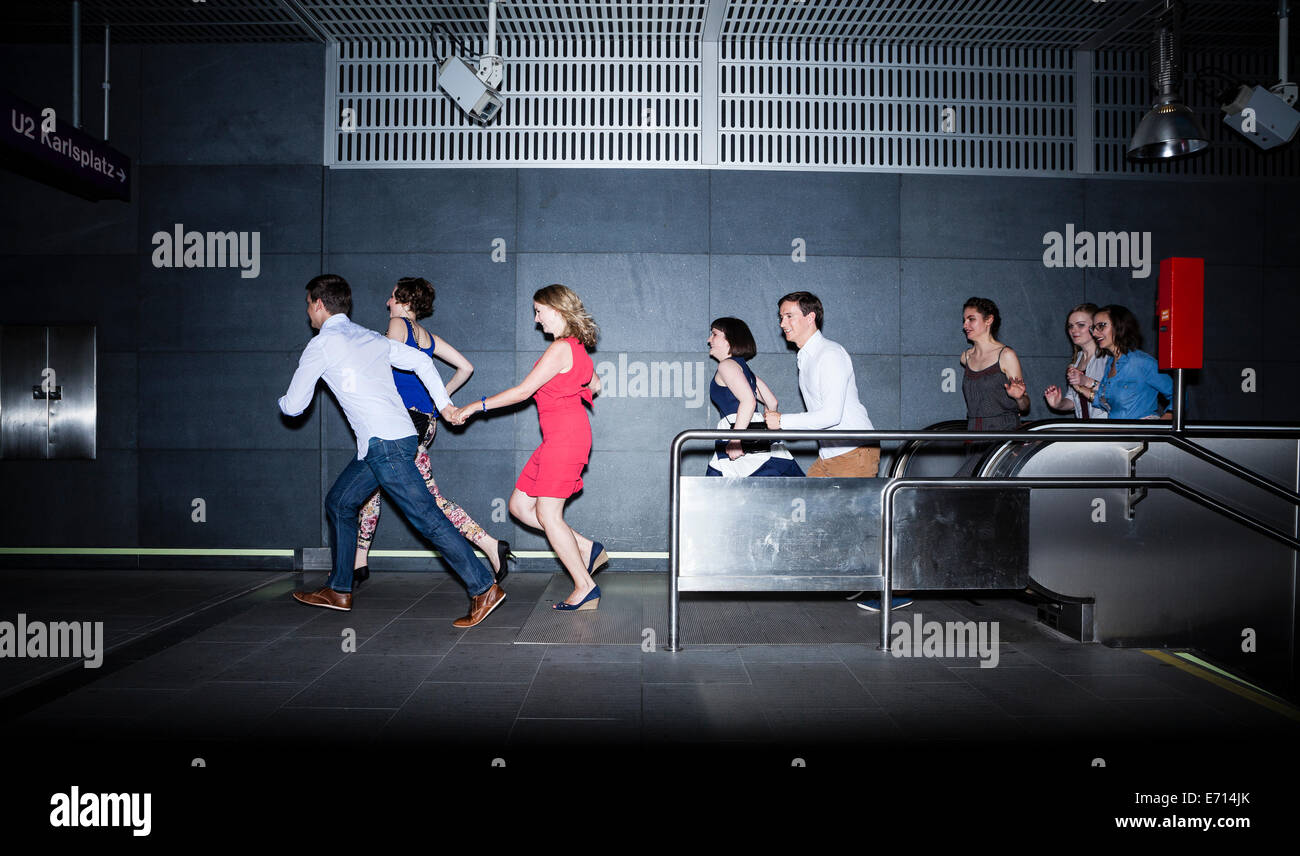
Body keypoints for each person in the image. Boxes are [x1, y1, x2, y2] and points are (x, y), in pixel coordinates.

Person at [278, 274, 504, 628]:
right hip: (393, 440)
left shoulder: (322, 345)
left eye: (309, 304)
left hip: (384, 445)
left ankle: (483, 587)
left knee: (427, 517)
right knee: (340, 503)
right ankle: (339, 588)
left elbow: (293, 407)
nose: (308, 311)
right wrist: (444, 407)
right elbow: (422, 362)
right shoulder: (368, 336)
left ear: (319, 304)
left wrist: (281, 399)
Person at [445, 285, 606, 611]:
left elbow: (522, 392)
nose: (536, 320)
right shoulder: (575, 348)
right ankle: (586, 548)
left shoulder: (562, 348)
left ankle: (585, 586)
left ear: (556, 310)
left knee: (548, 513)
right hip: (558, 439)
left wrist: (475, 406)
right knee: (520, 506)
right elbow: (595, 383)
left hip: (565, 438)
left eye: (538, 311)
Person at [352, 277, 512, 588]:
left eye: (392, 296)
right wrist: (438, 402)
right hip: (423, 423)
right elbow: (466, 367)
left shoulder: (397, 324)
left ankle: (358, 560)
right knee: (377, 486)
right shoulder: (427, 336)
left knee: (414, 496)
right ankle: (359, 561)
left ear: (405, 302)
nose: (387, 302)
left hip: (402, 423)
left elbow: (384, 366)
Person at [761, 292, 902, 611]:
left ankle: (894, 589)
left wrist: (782, 421)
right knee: (807, 514)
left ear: (811, 318)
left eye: (789, 316)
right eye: (781, 317)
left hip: (855, 449)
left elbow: (832, 416)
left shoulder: (830, 354)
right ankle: (853, 579)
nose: (783, 323)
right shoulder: (806, 356)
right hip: (830, 454)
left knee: (862, 523)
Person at [705, 317, 803, 477]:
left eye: (714, 334)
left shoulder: (726, 366)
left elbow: (749, 401)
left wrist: (736, 440)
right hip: (748, 432)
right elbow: (772, 402)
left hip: (737, 432)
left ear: (729, 339)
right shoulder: (744, 369)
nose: (709, 340)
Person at [957, 296, 1029, 477]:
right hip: (974, 435)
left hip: (1002, 434)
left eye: (971, 319)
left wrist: (1019, 397)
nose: (965, 325)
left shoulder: (1006, 355)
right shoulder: (966, 357)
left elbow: (1025, 406)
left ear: (989, 320)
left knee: (962, 484)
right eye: (964, 320)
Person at [1086, 304, 1173, 419]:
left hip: (1141, 434)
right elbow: (1107, 403)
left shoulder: (1142, 362)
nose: (1095, 333)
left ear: (1119, 325)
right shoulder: (1110, 363)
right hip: (1120, 433)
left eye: (1101, 326)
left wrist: (1162, 425)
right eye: (1094, 328)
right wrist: (1080, 388)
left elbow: (1179, 396)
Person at [1043, 302, 1110, 419]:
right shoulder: (1077, 360)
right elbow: (1073, 401)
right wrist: (1058, 404)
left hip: (1106, 429)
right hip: (1085, 430)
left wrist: (1087, 381)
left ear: (1095, 326)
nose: (1074, 330)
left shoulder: (1107, 357)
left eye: (1081, 325)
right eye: (1071, 326)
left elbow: (1118, 394)